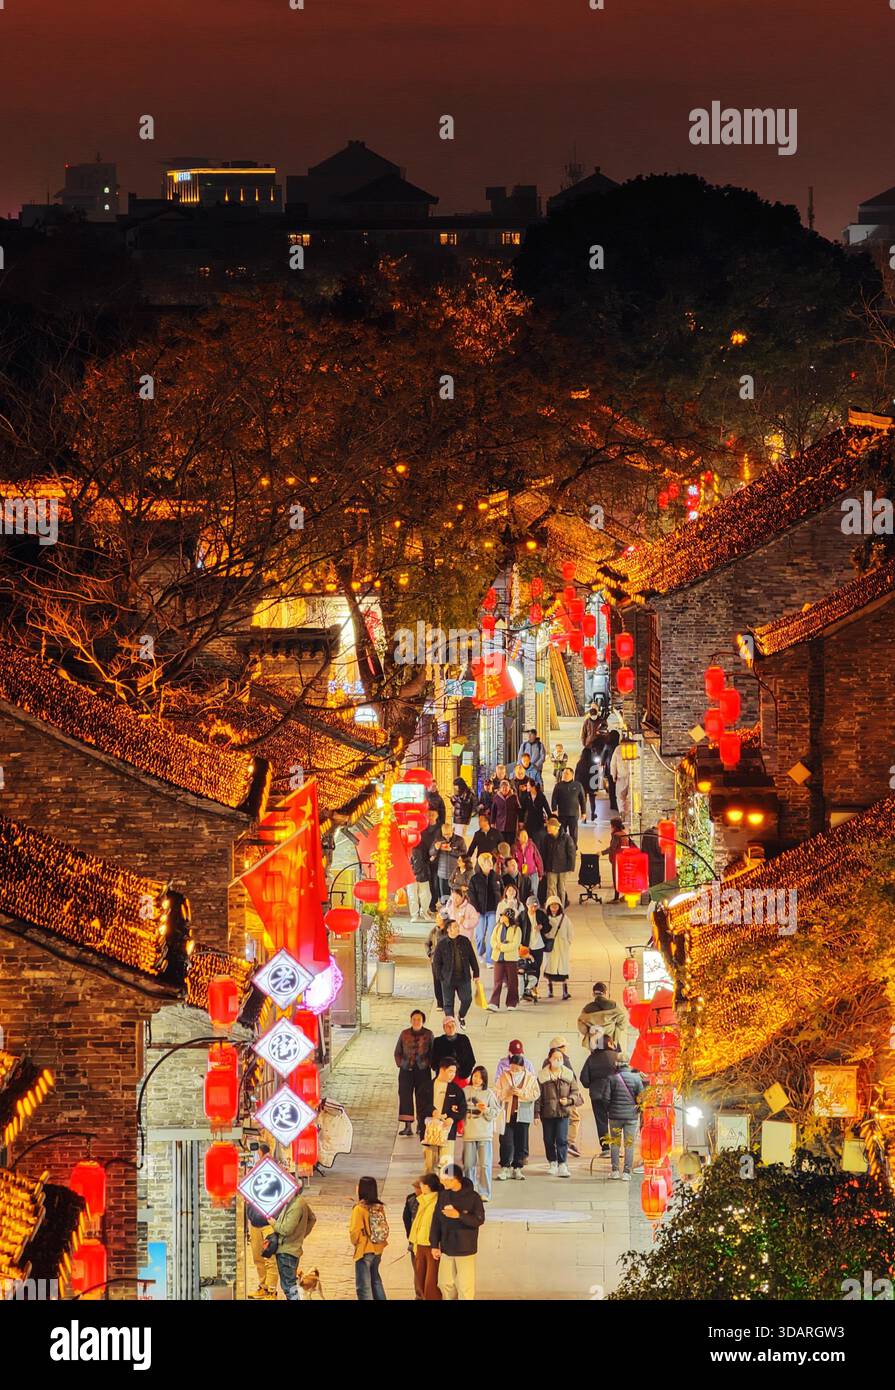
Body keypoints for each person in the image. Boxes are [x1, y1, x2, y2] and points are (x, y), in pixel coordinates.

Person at [430, 1163, 485, 1301]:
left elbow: (479, 1220)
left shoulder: (473, 1197)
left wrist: (459, 1215)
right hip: (447, 1248)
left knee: (465, 1286)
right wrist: (434, 1244)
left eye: (445, 1179)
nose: (442, 1182)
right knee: (444, 1283)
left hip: (465, 1248)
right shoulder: (443, 1195)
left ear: (455, 1179)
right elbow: (436, 1220)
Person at [537, 1047, 584, 1177]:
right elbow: (537, 1096)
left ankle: (562, 1164)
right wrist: (536, 1114)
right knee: (548, 1139)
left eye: (560, 1058)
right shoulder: (542, 1076)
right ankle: (552, 1162)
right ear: (549, 1059)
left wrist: (569, 1100)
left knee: (562, 1139)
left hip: (563, 1112)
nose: (558, 1060)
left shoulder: (568, 1074)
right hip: (547, 1113)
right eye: (555, 1058)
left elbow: (575, 1092)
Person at [270, 1178, 316, 1302]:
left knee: (288, 1286)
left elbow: (285, 1229)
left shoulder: (296, 1205)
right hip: (291, 1249)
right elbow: (312, 1219)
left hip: (288, 1250)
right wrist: (301, 1234)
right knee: (290, 1284)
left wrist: (273, 1223)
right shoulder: (297, 1202)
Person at [495, 1052, 539, 1179]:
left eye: (517, 1069)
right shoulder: (504, 1076)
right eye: (512, 1068)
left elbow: (536, 1094)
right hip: (507, 1112)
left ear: (522, 1067)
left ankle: (517, 1168)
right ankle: (505, 1167)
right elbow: (496, 1092)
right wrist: (506, 1092)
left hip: (523, 1112)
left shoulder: (530, 1077)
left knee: (521, 1141)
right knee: (506, 1140)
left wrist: (521, 1093)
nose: (514, 1070)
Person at [462, 1065, 501, 1202]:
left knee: (484, 1164)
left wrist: (485, 1110)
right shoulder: (465, 1091)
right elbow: (460, 1109)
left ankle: (484, 1192)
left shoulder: (489, 1094)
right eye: (475, 1076)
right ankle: (469, 1191)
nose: (477, 1079)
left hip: (484, 1134)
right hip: (469, 1133)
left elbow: (495, 1113)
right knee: (468, 1164)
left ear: (484, 1080)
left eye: (480, 1077)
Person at [432, 923, 480, 1033]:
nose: (458, 929)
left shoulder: (465, 941)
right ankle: (451, 1026)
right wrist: (440, 976)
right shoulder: (442, 943)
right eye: (455, 927)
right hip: (447, 979)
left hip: (463, 977)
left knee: (467, 999)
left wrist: (476, 972)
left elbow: (472, 958)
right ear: (448, 929)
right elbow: (437, 962)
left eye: (458, 927)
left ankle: (461, 1016)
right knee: (448, 1004)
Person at [423, 1058, 468, 1173]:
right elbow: (421, 1105)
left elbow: (463, 1108)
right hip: (430, 1132)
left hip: (448, 1132)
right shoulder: (426, 1087)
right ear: (442, 1070)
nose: (452, 1075)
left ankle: (446, 1189)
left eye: (454, 1072)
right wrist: (433, 1112)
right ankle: (430, 1189)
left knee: (446, 1165)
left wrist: (452, 1118)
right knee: (429, 1165)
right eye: (450, 1071)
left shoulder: (456, 1090)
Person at [541, 1033, 583, 1156]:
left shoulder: (547, 1061)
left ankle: (560, 1143)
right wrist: (574, 1095)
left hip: (551, 1099)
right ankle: (569, 1142)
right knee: (574, 1118)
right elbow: (571, 1077)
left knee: (555, 1122)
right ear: (560, 1047)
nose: (566, 1049)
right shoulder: (563, 1059)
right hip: (565, 1096)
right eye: (564, 1046)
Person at [394, 1010, 435, 1137]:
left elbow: (433, 1051)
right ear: (411, 1020)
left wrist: (428, 1063)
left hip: (423, 1070)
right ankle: (407, 1126)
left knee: (422, 1097)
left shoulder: (428, 1034)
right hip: (406, 1070)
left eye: (419, 1019)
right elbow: (397, 1051)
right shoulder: (404, 1033)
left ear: (423, 1021)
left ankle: (421, 1124)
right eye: (414, 1019)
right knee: (405, 1096)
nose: (416, 1021)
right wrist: (401, 1063)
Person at [246, 1144, 279, 1299]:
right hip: (254, 1222)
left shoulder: (275, 1177)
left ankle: (272, 1290)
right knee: (257, 1257)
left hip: (267, 1224)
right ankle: (263, 1286)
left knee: (269, 1258)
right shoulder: (254, 1177)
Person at [349, 1175, 389, 1299]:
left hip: (365, 1249)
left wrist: (358, 1242)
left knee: (363, 1286)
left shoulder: (359, 1209)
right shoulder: (379, 1207)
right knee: (375, 1280)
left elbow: (354, 1231)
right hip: (378, 1249)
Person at [579, 1040, 622, 1155]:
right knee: (616, 1121)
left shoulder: (591, 1058)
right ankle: (616, 1148)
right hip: (615, 1094)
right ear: (609, 1043)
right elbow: (623, 1074)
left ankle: (606, 1149)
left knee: (601, 1122)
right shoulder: (617, 1057)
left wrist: (591, 1085)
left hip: (596, 1095)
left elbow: (584, 1078)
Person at [607, 1055, 645, 1179]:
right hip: (631, 1117)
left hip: (614, 1117)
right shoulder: (636, 1078)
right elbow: (642, 1098)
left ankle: (615, 1171)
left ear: (617, 1063)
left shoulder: (612, 1078)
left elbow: (605, 1098)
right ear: (629, 1063)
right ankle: (627, 1173)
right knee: (629, 1144)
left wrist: (610, 1109)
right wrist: (637, 1109)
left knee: (615, 1143)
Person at [409, 1172, 443, 1300]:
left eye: (422, 1185)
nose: (420, 1187)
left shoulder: (436, 1202)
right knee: (421, 1281)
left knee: (431, 1283)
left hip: (431, 1246)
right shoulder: (422, 1201)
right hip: (420, 1245)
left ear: (428, 1186)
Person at [467, 850, 500, 963]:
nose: (491, 864)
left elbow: (501, 892)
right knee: (480, 935)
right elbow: (471, 895)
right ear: (481, 864)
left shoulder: (496, 877)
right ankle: (481, 952)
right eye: (488, 862)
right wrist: (475, 910)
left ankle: (490, 959)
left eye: (491, 862)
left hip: (493, 910)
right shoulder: (474, 879)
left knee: (492, 935)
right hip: (479, 911)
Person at [409, 809, 442, 920]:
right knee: (413, 895)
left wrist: (431, 858)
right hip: (412, 873)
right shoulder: (408, 845)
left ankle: (425, 911)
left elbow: (428, 855)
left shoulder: (424, 838)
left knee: (426, 894)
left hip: (423, 870)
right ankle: (414, 914)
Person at [488, 908, 522, 1011]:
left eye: (504, 915)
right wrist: (497, 946)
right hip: (498, 957)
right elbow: (492, 940)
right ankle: (494, 1003)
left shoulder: (516, 929)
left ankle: (512, 1002)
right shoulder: (497, 927)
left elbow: (515, 944)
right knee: (497, 981)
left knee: (512, 981)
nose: (501, 917)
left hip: (511, 959)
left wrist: (501, 946)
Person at [578, 982, 628, 1051]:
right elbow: (623, 1022)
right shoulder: (613, 1006)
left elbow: (581, 1025)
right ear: (605, 993)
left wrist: (588, 1033)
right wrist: (616, 1030)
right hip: (611, 1041)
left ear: (593, 994)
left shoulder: (587, 1008)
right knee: (613, 1059)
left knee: (597, 1060)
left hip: (595, 1042)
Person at [542, 895, 573, 1001]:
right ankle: (550, 990)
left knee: (563, 968)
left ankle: (565, 991)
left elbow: (570, 932)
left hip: (562, 946)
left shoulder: (565, 919)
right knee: (549, 967)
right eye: (552, 906)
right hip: (551, 947)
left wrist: (568, 942)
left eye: (556, 905)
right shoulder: (547, 919)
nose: (554, 908)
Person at [541, 816, 577, 905]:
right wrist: (544, 868)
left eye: (549, 826)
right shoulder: (547, 838)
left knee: (561, 888)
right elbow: (544, 853)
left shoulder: (566, 838)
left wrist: (570, 868)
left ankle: (561, 906)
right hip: (551, 868)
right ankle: (550, 905)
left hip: (563, 869)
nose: (547, 828)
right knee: (551, 888)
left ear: (556, 827)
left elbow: (571, 854)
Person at [432, 1013, 476, 1080]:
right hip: (444, 1076)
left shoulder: (464, 1039)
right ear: (444, 1028)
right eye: (448, 1026)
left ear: (456, 1026)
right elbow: (434, 1061)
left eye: (452, 1025)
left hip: (461, 1076)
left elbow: (471, 1059)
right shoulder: (438, 1041)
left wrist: (465, 1074)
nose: (450, 1028)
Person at [430, 824, 467, 903]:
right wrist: (435, 848)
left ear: (452, 830)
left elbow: (464, 855)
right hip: (442, 873)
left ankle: (457, 913)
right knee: (445, 898)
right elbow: (431, 853)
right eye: (444, 834)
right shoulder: (438, 840)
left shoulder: (459, 840)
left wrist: (451, 850)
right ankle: (446, 913)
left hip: (456, 873)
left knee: (458, 897)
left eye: (448, 834)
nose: (446, 836)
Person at [520, 895, 547, 1002]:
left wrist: (542, 926)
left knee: (536, 967)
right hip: (526, 945)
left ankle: (534, 988)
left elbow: (548, 925)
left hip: (539, 945)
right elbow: (517, 928)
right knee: (525, 967)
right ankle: (526, 989)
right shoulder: (522, 915)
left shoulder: (540, 914)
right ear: (527, 905)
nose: (533, 908)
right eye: (532, 906)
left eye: (536, 906)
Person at [551, 766, 586, 844]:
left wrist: (584, 812)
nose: (564, 775)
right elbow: (554, 799)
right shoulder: (558, 786)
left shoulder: (578, 785)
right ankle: (561, 847)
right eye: (563, 773)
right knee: (561, 832)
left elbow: (582, 800)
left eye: (567, 773)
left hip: (573, 814)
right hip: (562, 814)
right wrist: (554, 810)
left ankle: (573, 848)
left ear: (572, 775)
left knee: (573, 833)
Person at [514, 826, 544, 900]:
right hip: (521, 874)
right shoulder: (514, 847)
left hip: (533, 872)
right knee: (521, 892)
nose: (525, 837)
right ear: (518, 837)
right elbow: (513, 860)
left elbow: (538, 859)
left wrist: (540, 873)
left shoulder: (532, 845)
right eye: (522, 835)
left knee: (534, 891)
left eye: (526, 835)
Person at [606, 817, 632, 903]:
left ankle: (616, 898)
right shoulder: (624, 834)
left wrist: (601, 852)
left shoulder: (616, 835)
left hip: (617, 860)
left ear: (614, 825)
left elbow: (612, 848)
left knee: (616, 878)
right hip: (624, 859)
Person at [609, 736, 633, 823]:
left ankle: (622, 812)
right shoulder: (633, 747)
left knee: (620, 796)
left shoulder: (618, 749)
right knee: (630, 796)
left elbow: (613, 764)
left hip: (621, 776)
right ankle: (630, 813)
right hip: (632, 776)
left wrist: (613, 775)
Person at [575, 744, 601, 823]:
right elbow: (596, 776)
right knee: (592, 800)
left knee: (583, 801)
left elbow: (577, 775)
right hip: (591, 784)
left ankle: (584, 817)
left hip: (582, 785)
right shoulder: (593, 763)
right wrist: (596, 786)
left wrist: (576, 785)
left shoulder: (580, 763)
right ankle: (593, 814)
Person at [603, 730, 620, 812]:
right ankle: (617, 803)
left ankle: (612, 804)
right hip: (618, 768)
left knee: (611, 786)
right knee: (617, 786)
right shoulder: (618, 746)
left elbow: (603, 756)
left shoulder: (607, 745)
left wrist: (602, 763)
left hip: (609, 768)